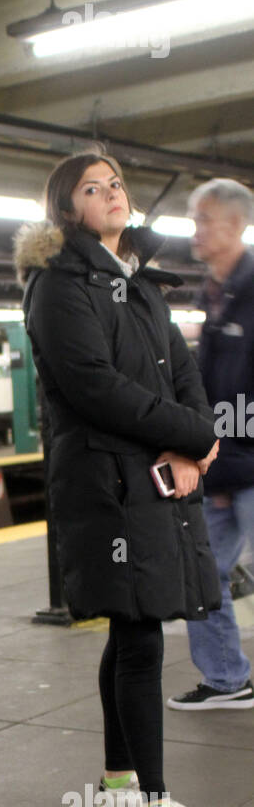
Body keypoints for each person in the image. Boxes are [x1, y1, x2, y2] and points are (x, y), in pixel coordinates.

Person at [14, 149, 221, 807]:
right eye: (91, 188)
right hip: (106, 488)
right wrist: (190, 434)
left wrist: (200, 439)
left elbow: (182, 369)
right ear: (67, 209)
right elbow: (94, 387)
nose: (111, 194)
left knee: (133, 630)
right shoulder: (58, 286)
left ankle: (117, 787)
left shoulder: (137, 283)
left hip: (153, 482)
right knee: (140, 639)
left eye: (117, 184)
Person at [168, 179, 254, 711]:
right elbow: (214, 389)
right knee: (200, 573)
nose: (195, 230)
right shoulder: (213, 294)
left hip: (250, 465)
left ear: (236, 225)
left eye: (204, 219)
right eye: (194, 218)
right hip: (229, 467)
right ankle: (227, 679)